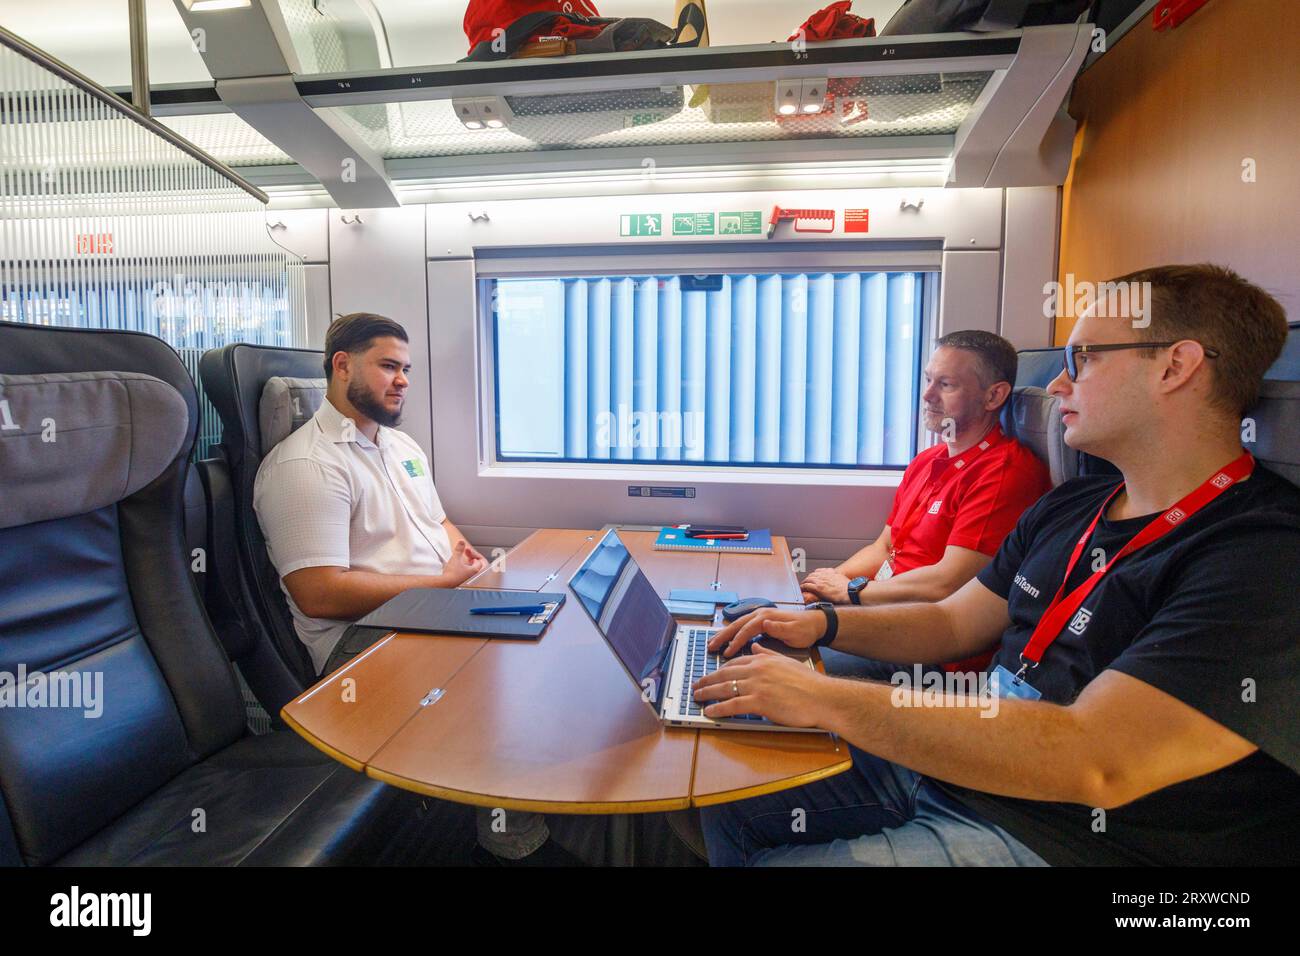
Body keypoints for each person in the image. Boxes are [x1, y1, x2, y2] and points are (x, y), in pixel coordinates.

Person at [695, 264, 1300, 866]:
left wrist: (824, 697)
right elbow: (952, 624)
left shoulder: (1263, 552)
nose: (1060, 385)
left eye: (1083, 358)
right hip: (971, 765)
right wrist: (820, 624)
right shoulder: (1073, 505)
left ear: (1175, 366)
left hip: (1072, 834)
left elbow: (1099, 760)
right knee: (726, 797)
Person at [254, 312, 574, 866]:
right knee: (503, 682)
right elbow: (319, 593)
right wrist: (443, 583)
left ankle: (553, 816)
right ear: (342, 365)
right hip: (360, 643)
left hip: (432, 604)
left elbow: (439, 523)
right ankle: (513, 846)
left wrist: (466, 559)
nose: (402, 379)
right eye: (387, 366)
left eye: (405, 368)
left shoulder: (401, 446)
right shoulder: (307, 465)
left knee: (552, 628)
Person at [802, 330, 1051, 676]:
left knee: (786, 663)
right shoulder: (927, 460)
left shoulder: (1006, 473)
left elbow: (948, 582)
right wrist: (826, 586)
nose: (927, 395)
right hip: (881, 612)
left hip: (930, 651)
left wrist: (853, 592)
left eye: (946, 385)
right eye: (928, 380)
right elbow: (884, 547)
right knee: (771, 637)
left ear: (994, 396)